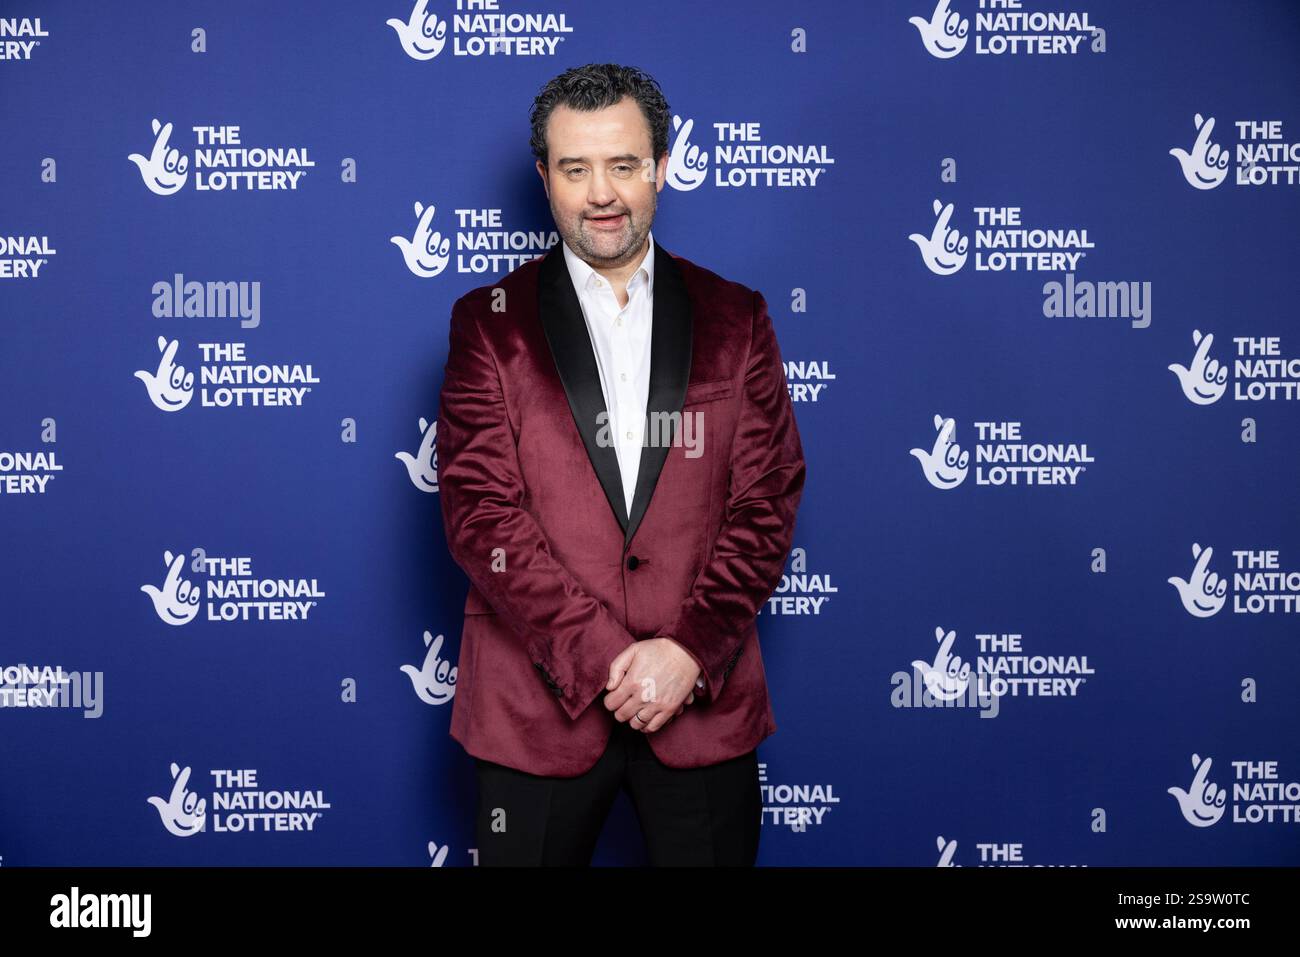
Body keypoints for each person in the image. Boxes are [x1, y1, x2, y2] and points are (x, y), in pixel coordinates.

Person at [437, 63, 806, 866]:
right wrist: (611, 660)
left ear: (662, 167)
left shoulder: (736, 317)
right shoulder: (488, 325)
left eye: (624, 165)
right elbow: (480, 514)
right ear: (544, 178)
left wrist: (686, 653)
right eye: (576, 168)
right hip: (536, 711)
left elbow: (767, 499)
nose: (602, 192)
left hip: (700, 703)